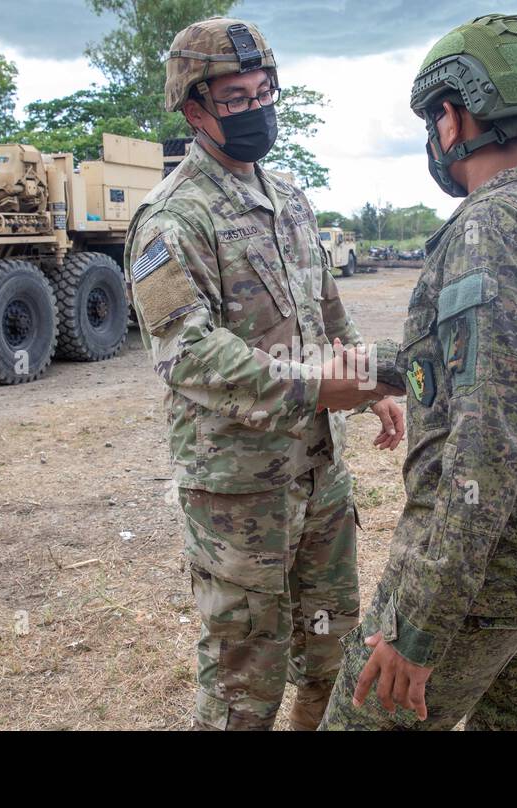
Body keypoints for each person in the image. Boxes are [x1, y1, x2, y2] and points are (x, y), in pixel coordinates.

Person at [317, 13, 517, 730]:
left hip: (474, 584)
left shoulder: (492, 227)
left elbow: (489, 440)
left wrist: (419, 627)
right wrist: (370, 369)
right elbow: (494, 367)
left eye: (434, 118)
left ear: (454, 115)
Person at [123, 16, 403, 730]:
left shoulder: (292, 197)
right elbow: (186, 353)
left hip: (317, 471)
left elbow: (327, 309)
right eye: (237, 99)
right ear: (194, 111)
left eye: (264, 93)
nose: (258, 110)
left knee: (330, 646)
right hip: (237, 492)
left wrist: (367, 386)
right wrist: (314, 387)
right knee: (245, 680)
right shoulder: (171, 218)